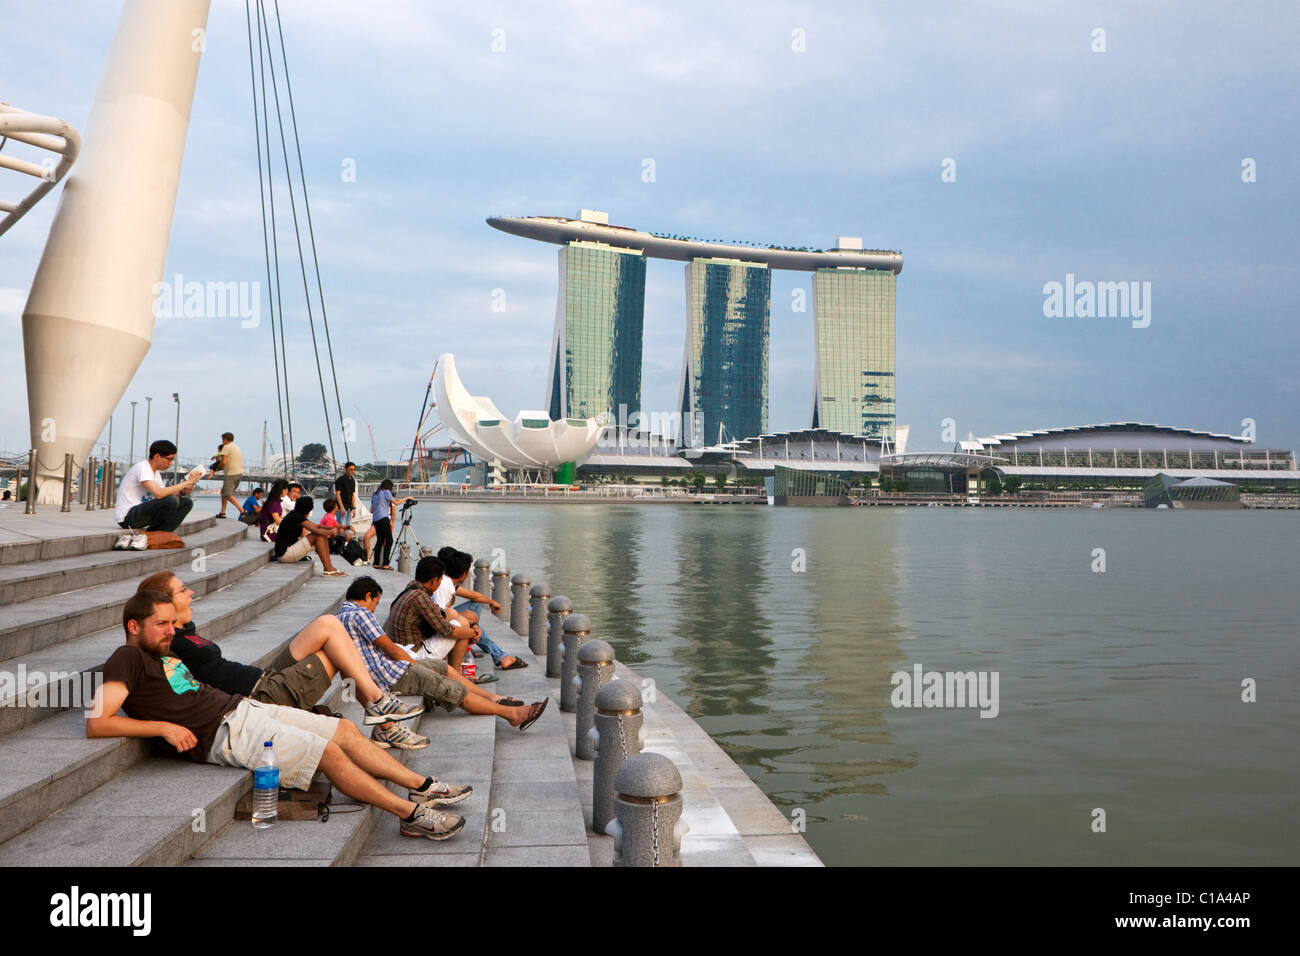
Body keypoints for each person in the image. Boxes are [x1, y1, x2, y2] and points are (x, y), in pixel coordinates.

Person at [88, 589, 469, 841]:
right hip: (224, 733)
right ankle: (411, 814)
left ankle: (423, 784)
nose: (172, 631)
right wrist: (164, 727)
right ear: (133, 626)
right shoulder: (128, 658)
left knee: (344, 728)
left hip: (244, 708)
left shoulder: (164, 653)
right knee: (328, 752)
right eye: (162, 625)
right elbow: (99, 722)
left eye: (173, 623)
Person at [138, 571, 426, 734]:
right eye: (182, 590)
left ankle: (379, 710)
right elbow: (164, 682)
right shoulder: (167, 643)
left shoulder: (184, 630)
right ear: (163, 605)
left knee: (330, 625)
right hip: (260, 695)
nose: (190, 593)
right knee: (334, 643)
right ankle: (381, 713)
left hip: (263, 679)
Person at [338, 576, 548, 744]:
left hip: (386, 670)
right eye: (375, 602)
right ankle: (512, 714)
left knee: (440, 666)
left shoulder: (343, 614)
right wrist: (414, 666)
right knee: (450, 688)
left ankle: (491, 698)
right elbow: (391, 649)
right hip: (392, 675)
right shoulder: (360, 614)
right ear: (367, 596)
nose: (375, 607)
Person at [437, 548, 527, 670]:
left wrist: (491, 602)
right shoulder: (444, 585)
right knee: (470, 618)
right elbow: (440, 617)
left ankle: (473, 643)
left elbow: (474, 596)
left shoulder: (442, 581)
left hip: (441, 619)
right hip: (440, 625)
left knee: (475, 607)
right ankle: (499, 655)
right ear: (463, 573)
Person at [385, 556, 478, 670]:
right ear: (433, 580)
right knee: (463, 629)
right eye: (440, 580)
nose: (440, 584)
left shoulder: (412, 587)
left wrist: (471, 628)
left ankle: (453, 670)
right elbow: (447, 631)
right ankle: (455, 673)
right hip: (413, 655)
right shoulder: (421, 597)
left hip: (401, 648)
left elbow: (437, 612)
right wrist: (473, 632)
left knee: (455, 617)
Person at [114, 439, 197, 533]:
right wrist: (186, 482)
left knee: (186, 503)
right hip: (128, 517)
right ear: (157, 456)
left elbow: (165, 496)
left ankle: (162, 534)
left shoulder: (156, 473)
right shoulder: (142, 467)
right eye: (169, 459)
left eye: (172, 460)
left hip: (142, 512)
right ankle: (155, 534)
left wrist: (182, 492)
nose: (171, 463)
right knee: (171, 500)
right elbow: (159, 494)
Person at [274, 496, 346, 576]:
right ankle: (328, 568)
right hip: (285, 555)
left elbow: (316, 526)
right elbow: (316, 530)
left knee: (321, 535)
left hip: (285, 553)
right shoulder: (297, 517)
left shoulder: (295, 515)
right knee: (318, 535)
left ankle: (329, 567)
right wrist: (331, 532)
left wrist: (331, 528)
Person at [369, 479, 412, 570]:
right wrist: (407, 498)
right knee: (389, 541)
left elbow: (371, 510)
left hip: (376, 520)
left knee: (380, 541)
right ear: (389, 487)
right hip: (384, 519)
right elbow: (396, 503)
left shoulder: (375, 494)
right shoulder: (386, 492)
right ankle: (385, 564)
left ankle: (376, 563)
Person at [206, 432, 246, 519]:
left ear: (225, 439)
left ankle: (242, 510)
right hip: (238, 473)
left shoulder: (226, 447)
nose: (222, 441)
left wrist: (216, 468)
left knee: (227, 494)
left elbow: (223, 462)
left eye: (222, 439)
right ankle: (222, 513)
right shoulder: (236, 447)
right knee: (224, 493)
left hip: (231, 474)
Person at [334, 462, 357, 527]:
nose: (352, 471)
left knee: (348, 525)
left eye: (353, 470)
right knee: (342, 525)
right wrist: (341, 507)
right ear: (345, 469)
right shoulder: (340, 480)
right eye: (350, 469)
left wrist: (354, 508)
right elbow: (338, 494)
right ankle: (341, 537)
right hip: (341, 506)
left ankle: (347, 537)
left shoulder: (352, 480)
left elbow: (352, 495)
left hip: (349, 506)